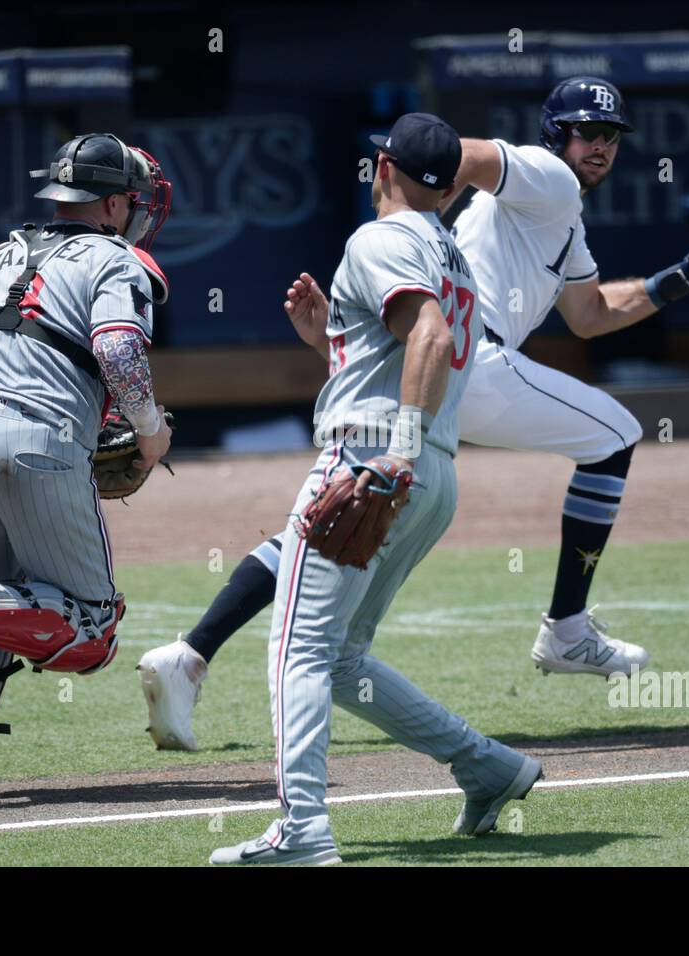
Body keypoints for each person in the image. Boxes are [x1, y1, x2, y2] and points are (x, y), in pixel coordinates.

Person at [139, 77, 689, 751]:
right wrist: (421, 226)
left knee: (330, 521)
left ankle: (192, 652)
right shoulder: (548, 174)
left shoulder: (562, 216)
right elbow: (448, 155)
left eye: (613, 136)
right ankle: (567, 629)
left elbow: (590, 315)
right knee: (615, 435)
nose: (602, 146)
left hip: (442, 365)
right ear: (558, 133)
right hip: (468, 355)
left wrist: (678, 281)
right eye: (589, 131)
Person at [209, 113, 541, 865]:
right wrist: (333, 334)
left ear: (383, 167)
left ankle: (301, 831)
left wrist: (391, 455)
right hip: (431, 473)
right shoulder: (453, 255)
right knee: (341, 660)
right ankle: (487, 766)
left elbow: (431, 338)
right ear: (449, 186)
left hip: (373, 463)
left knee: (297, 651)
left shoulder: (379, 238)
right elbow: (405, 348)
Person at [0, 133, 174, 800]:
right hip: (35, 440)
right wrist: (148, 432)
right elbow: (118, 349)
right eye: (131, 202)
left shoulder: (3, 254)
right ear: (109, 205)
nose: (138, 213)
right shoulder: (117, 257)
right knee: (93, 631)